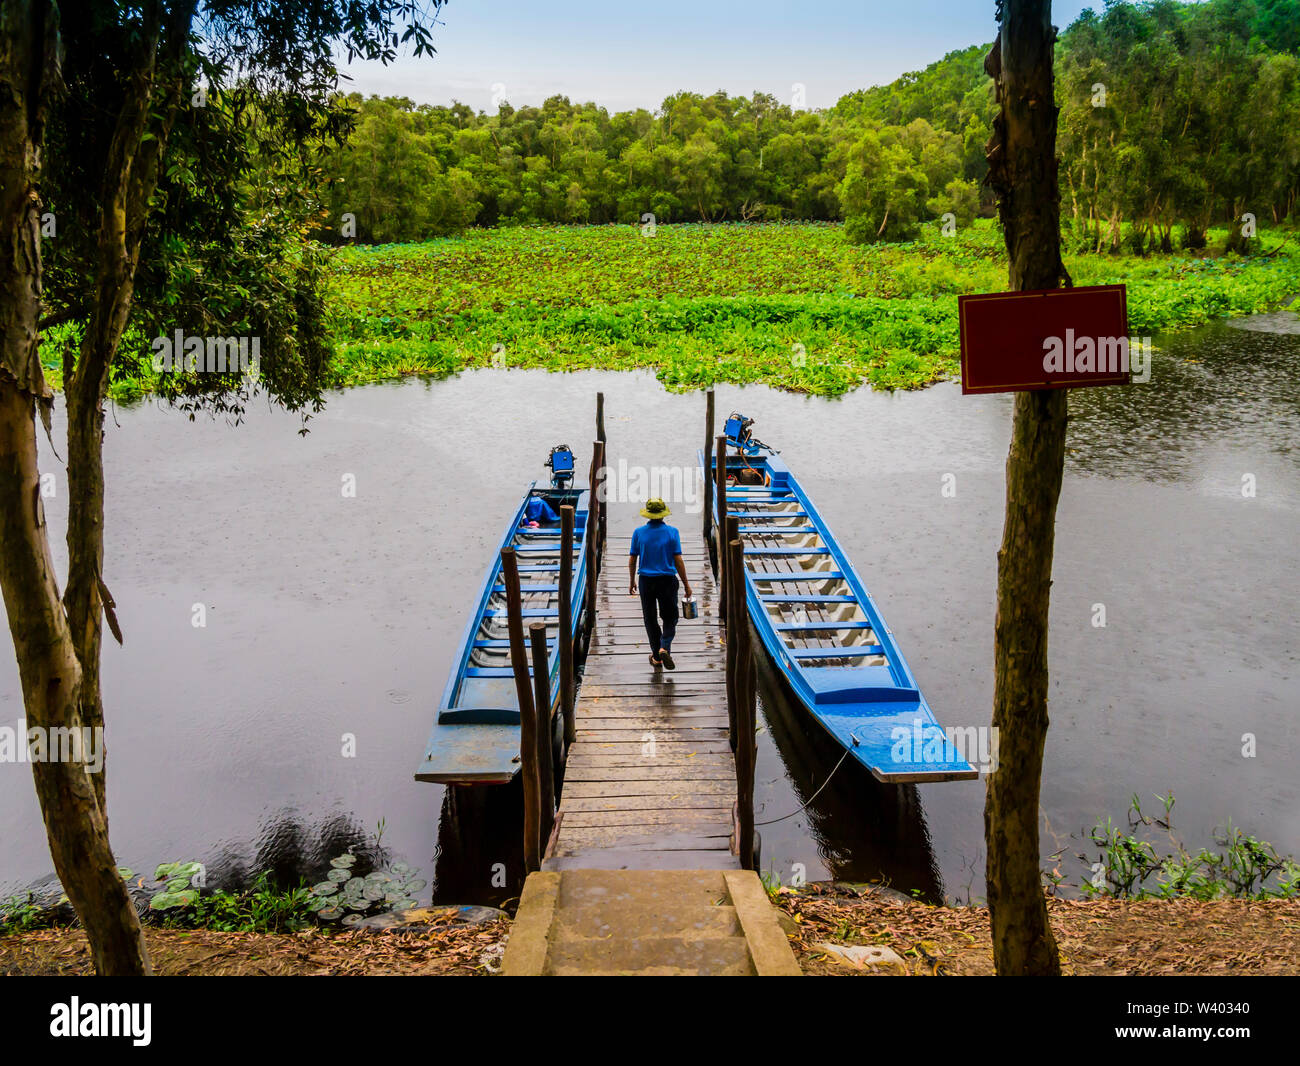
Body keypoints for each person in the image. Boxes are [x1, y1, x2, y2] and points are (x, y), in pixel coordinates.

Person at [628, 497, 692, 670]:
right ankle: (664, 646)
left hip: (646, 581)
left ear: (648, 514)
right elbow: (678, 559)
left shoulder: (638, 533)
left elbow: (632, 559)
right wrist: (686, 584)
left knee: (650, 618)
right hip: (667, 581)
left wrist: (631, 580)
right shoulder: (673, 532)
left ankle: (657, 656)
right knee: (670, 617)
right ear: (663, 514)